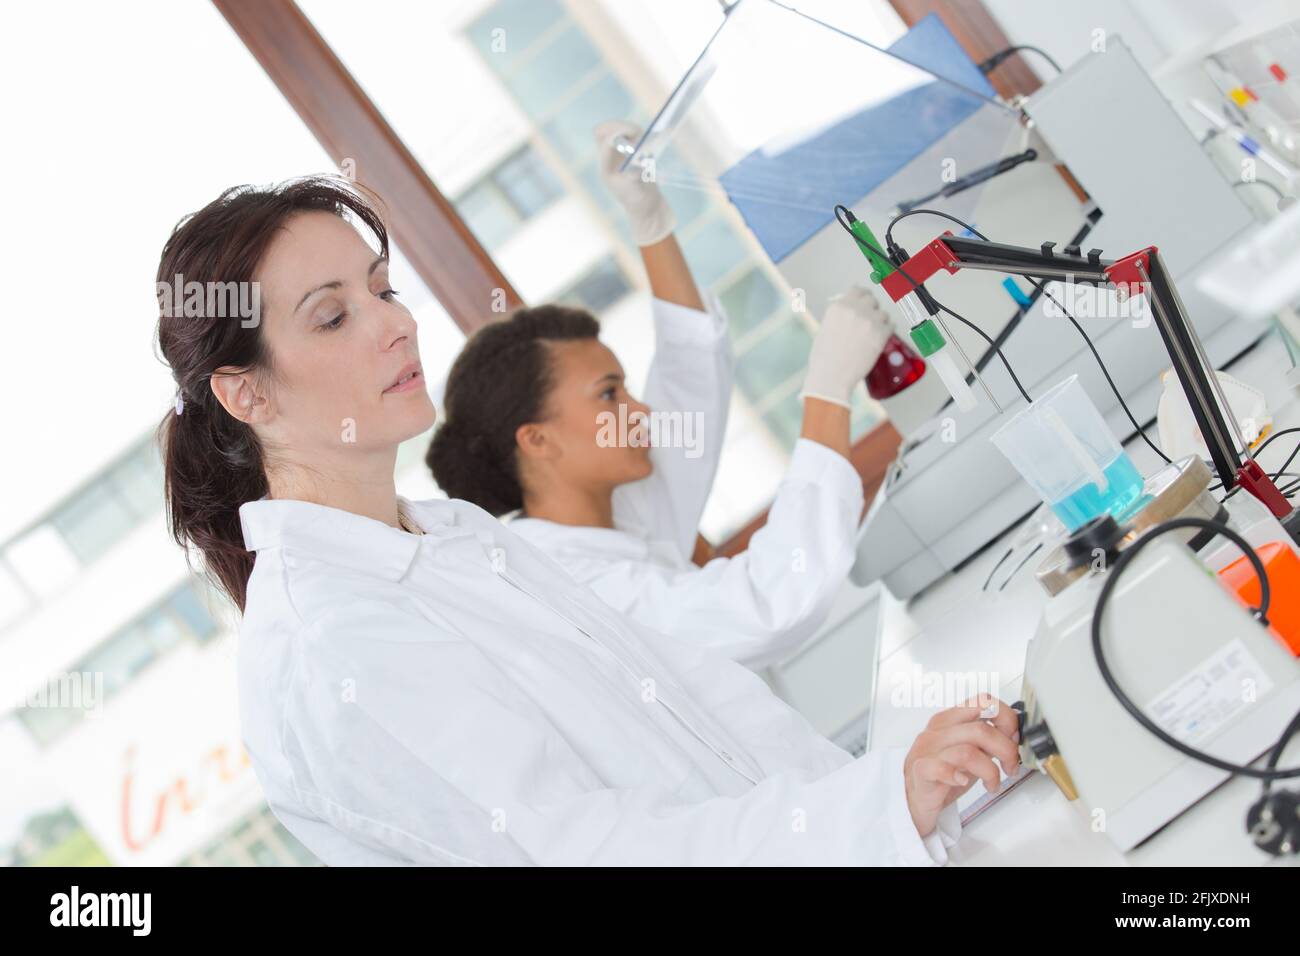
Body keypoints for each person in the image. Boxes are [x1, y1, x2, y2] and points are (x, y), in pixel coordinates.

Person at [155, 175, 1020, 866]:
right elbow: (590, 851)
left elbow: (703, 706)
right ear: (247, 393)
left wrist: (891, 798)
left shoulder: (454, 535)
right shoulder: (333, 640)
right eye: (335, 315)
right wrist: (876, 810)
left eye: (384, 290)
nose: (397, 324)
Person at [428, 121, 894, 669]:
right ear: (537, 439)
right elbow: (767, 606)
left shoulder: (618, 512)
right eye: (609, 396)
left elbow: (690, 367)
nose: (640, 411)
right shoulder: (571, 587)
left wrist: (649, 220)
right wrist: (828, 393)